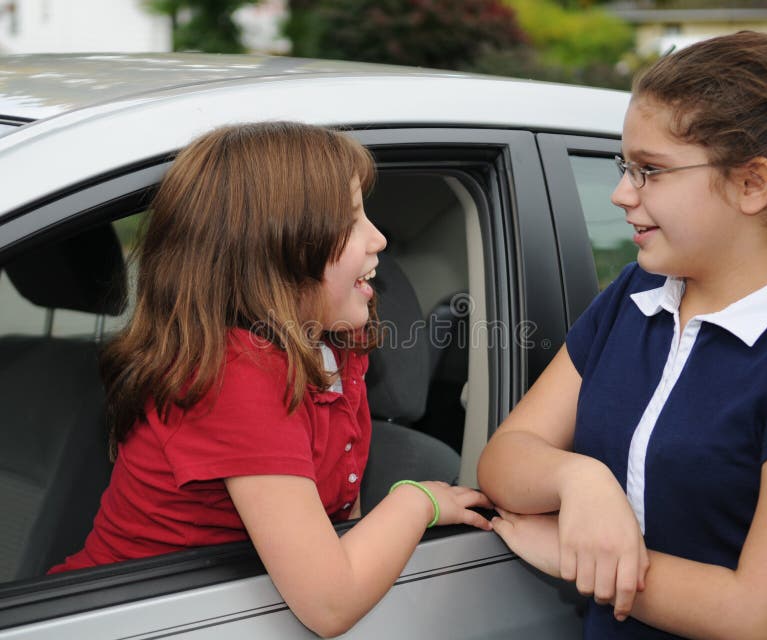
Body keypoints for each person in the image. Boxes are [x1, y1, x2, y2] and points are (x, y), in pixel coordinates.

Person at [49, 122, 492, 637]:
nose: (379, 238)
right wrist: (418, 502)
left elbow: (341, 525)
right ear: (278, 251)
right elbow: (330, 605)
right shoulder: (235, 377)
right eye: (352, 221)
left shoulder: (335, 344)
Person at [477, 31, 767, 640]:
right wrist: (580, 479)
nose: (622, 193)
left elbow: (765, 616)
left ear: (752, 185)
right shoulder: (634, 295)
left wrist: (586, 562)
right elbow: (506, 457)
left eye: (650, 171)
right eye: (626, 168)